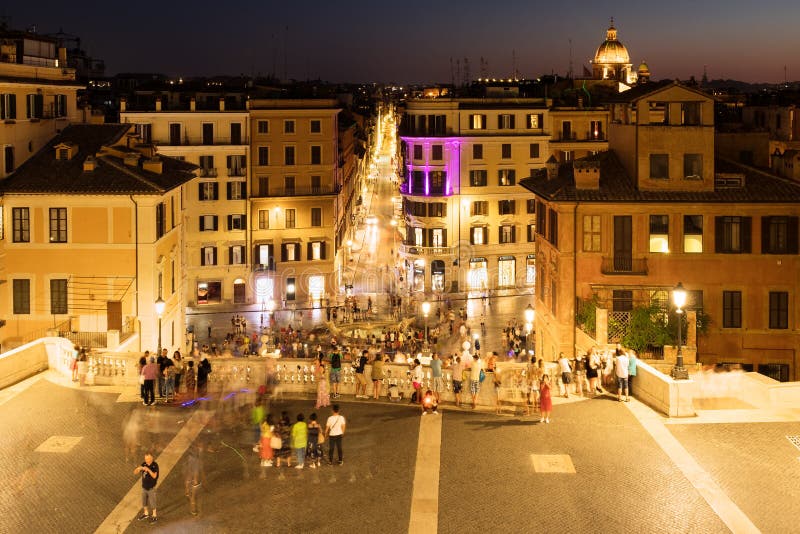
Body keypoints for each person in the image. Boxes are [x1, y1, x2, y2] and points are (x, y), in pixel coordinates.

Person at [134, 452, 159, 523]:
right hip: (144, 487)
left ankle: (154, 516)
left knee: (152, 502)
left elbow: (154, 476)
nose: (146, 460)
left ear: (151, 458)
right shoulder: (144, 464)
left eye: (147, 459)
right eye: (145, 458)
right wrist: (138, 469)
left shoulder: (155, 465)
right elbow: (135, 472)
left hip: (151, 488)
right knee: (144, 502)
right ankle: (146, 513)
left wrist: (148, 470)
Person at [183, 444, 202, 516]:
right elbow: (193, 469)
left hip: (193, 478)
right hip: (193, 478)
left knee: (193, 495)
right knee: (193, 496)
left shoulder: (192, 458)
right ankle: (193, 509)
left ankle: (188, 494)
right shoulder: (193, 458)